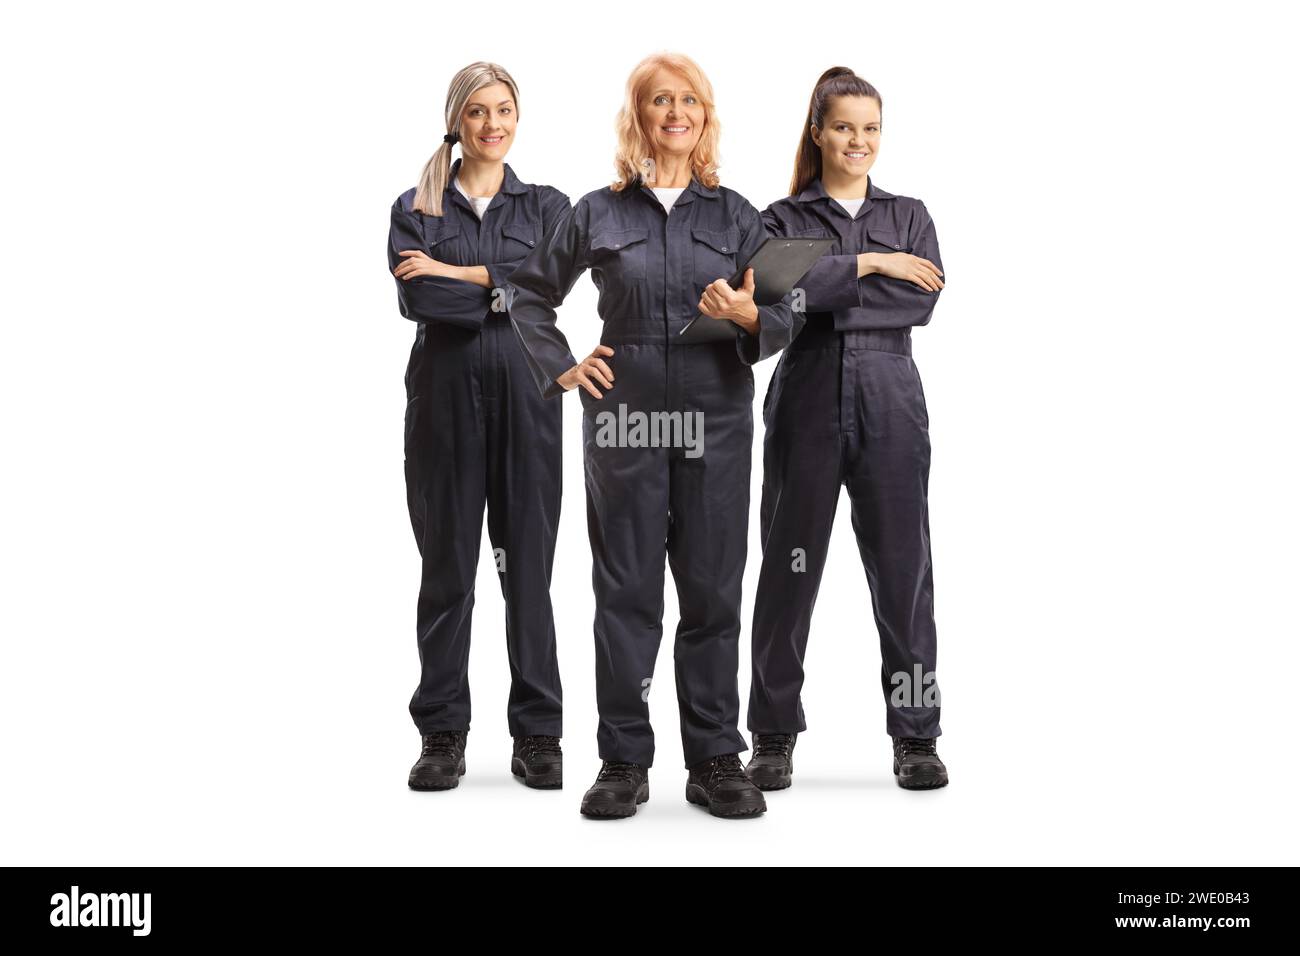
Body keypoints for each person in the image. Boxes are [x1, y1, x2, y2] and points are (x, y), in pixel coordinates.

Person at [504, 53, 798, 818]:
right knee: (625, 591)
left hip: (716, 420)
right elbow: (528, 292)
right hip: (625, 418)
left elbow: (783, 311)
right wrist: (563, 367)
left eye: (690, 101)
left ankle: (714, 759)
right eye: (660, 100)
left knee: (711, 590)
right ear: (638, 116)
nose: (676, 112)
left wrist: (748, 317)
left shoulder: (736, 214)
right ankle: (623, 761)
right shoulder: (598, 212)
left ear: (705, 117)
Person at [744, 67, 950, 791]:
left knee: (905, 574)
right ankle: (771, 734)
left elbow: (917, 304)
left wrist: (827, 290)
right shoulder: (780, 220)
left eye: (870, 129)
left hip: (890, 399)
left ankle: (916, 735)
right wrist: (867, 263)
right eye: (843, 128)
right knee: (787, 569)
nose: (858, 142)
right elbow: (772, 294)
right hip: (805, 398)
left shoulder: (911, 214)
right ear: (817, 132)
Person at [387, 62, 571, 792]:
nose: (493, 126)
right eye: (478, 113)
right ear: (456, 122)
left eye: (504, 111)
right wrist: (500, 285)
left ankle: (538, 733)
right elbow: (421, 302)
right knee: (447, 569)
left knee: (528, 568)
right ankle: (442, 732)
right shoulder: (417, 207)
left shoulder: (549, 203)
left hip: (528, 395)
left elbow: (545, 289)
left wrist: (464, 276)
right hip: (445, 398)